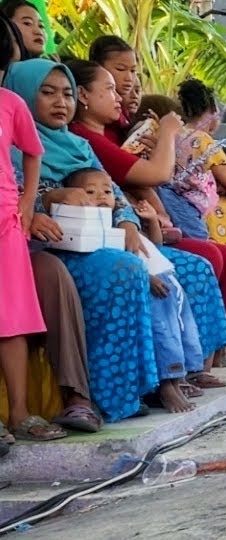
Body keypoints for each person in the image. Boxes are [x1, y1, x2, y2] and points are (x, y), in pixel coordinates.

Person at [4, 58, 157, 423]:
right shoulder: (9, 141)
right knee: (116, 270)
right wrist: (45, 202)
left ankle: (139, 387)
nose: (61, 102)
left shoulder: (79, 145)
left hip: (87, 242)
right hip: (30, 246)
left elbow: (112, 190)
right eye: (47, 92)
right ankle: (80, 397)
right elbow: (16, 194)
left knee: (146, 266)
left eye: (68, 93)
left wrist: (128, 221)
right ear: (22, 94)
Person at [66, 60, 226, 377]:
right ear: (83, 95)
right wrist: (169, 134)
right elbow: (155, 175)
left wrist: (144, 218)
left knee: (207, 262)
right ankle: (167, 375)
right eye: (111, 88)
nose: (120, 95)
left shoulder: (100, 137)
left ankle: (198, 364)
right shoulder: (85, 138)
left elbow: (125, 190)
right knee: (189, 265)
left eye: (128, 82)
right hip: (107, 239)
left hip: (139, 228)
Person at [63, 168, 200, 413]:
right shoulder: (92, 227)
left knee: (181, 330)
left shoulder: (120, 221)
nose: (101, 197)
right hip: (151, 284)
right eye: (90, 192)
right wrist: (148, 279)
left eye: (107, 191)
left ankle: (181, 378)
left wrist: (152, 220)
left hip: (166, 278)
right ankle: (167, 385)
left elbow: (154, 244)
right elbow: (120, 260)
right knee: (162, 331)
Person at [0, 47, 65, 444]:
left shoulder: (10, 104)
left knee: (12, 319)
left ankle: (20, 415)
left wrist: (25, 204)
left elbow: (33, 152)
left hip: (6, 220)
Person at [177, 79, 226, 352]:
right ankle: (223, 347)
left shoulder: (173, 136)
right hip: (214, 219)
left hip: (188, 218)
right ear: (212, 110)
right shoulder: (202, 140)